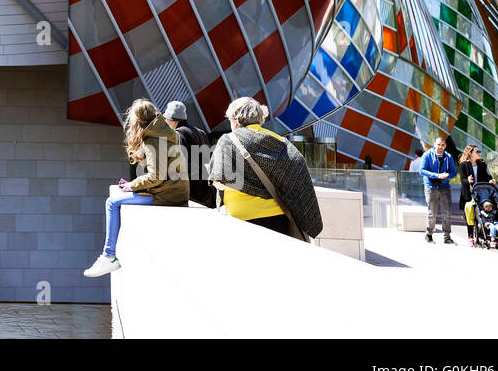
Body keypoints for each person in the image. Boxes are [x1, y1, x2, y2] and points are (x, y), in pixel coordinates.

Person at [83, 99, 189, 276]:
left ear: (137, 121)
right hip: (172, 191)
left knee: (112, 202)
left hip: (167, 195)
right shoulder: (162, 134)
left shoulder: (153, 141)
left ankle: (109, 256)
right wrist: (133, 186)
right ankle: (108, 256)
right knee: (118, 196)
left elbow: (156, 176)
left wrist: (133, 185)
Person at [208, 97, 323, 239]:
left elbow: (218, 181)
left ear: (236, 120)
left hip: (242, 217)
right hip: (278, 218)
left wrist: (244, 183)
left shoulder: (228, 140)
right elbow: (297, 168)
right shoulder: (280, 141)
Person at [162, 100, 213, 208]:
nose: (165, 121)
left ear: (172, 120)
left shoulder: (178, 133)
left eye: (166, 118)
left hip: (191, 193)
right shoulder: (201, 132)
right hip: (206, 191)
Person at [419, 136, 457, 244]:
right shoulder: (427, 155)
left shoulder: (448, 157)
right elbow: (421, 171)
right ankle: (429, 234)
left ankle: (447, 237)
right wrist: (436, 175)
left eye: (442, 145)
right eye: (438, 144)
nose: (440, 147)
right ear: (434, 144)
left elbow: (454, 173)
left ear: (445, 146)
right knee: (432, 213)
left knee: (447, 213)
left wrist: (446, 176)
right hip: (431, 187)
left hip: (445, 187)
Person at [458, 145, 494, 245]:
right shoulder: (463, 165)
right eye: (477, 151)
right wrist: (467, 180)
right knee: (470, 216)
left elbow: (488, 176)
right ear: (470, 153)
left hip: (481, 193)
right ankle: (470, 236)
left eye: (479, 151)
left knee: (482, 214)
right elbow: (462, 179)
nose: (479, 153)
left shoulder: (482, 164)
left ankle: (482, 235)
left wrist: (491, 180)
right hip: (468, 194)